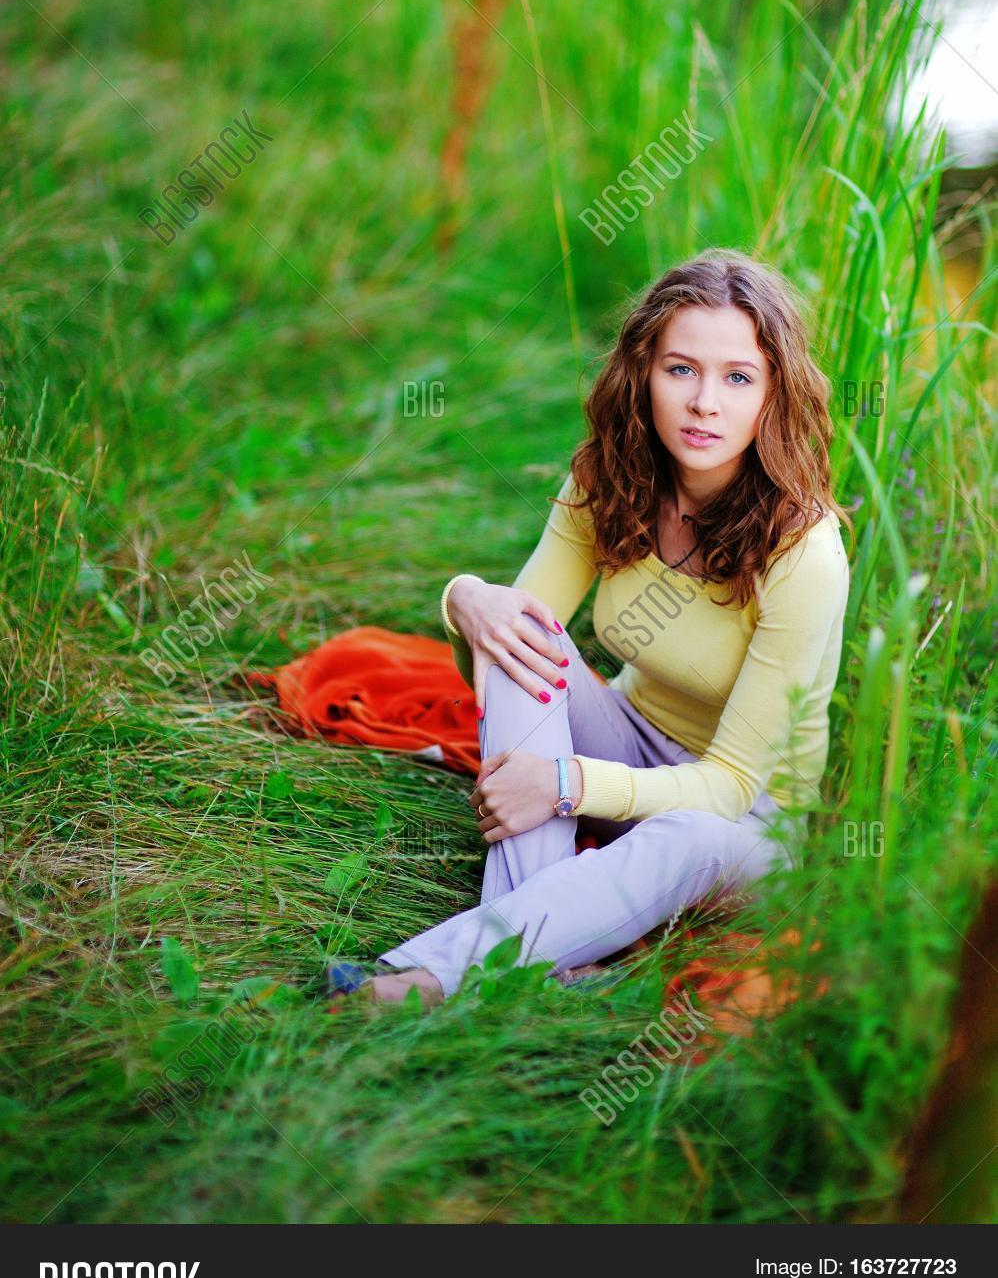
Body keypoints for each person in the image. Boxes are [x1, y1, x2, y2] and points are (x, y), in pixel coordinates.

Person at [329, 248, 852, 1009]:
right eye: (681, 369)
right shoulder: (611, 476)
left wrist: (565, 784)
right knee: (522, 640)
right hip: (629, 743)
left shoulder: (804, 553)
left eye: (737, 377)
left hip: (749, 821)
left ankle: (425, 981)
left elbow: (732, 787)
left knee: (692, 837)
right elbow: (511, 638)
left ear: (774, 394)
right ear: (642, 372)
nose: (705, 401)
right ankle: (546, 949)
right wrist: (466, 599)